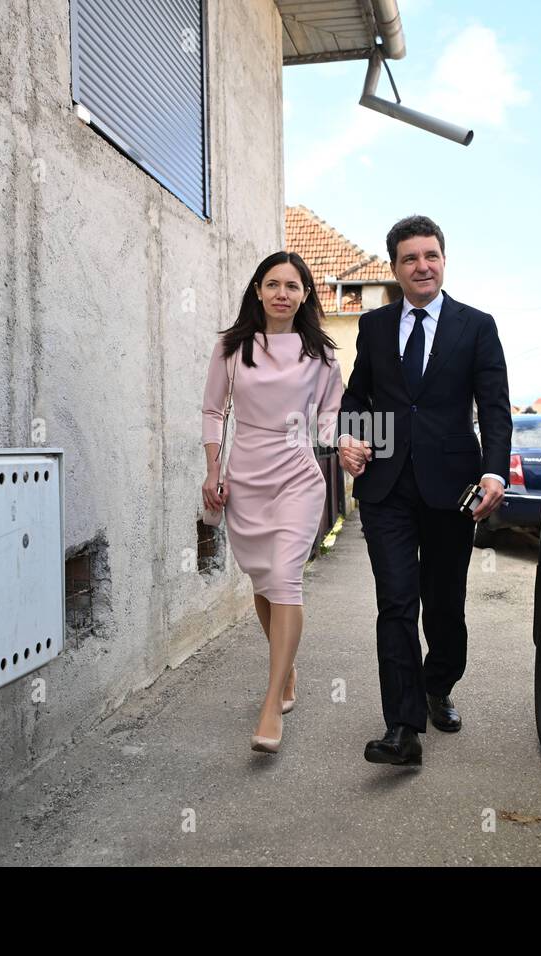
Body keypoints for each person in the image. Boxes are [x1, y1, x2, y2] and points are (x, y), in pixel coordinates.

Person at [337, 215, 512, 766]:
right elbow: (357, 398)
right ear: (394, 267)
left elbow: (496, 409)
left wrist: (495, 471)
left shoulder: (476, 326)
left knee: (443, 605)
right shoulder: (374, 326)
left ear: (444, 259)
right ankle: (402, 727)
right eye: (409, 258)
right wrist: (349, 439)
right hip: (385, 487)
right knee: (395, 601)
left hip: (452, 487)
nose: (422, 266)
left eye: (430, 255)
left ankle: (439, 685)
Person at [201, 251, 343, 755]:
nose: (283, 293)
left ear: (305, 295)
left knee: (285, 578)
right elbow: (214, 410)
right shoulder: (231, 347)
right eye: (273, 284)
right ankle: (288, 669)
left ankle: (270, 702)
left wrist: (345, 443)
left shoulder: (322, 354)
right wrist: (213, 469)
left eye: (294, 286)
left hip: (298, 475)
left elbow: (328, 420)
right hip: (246, 476)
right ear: (258, 290)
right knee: (263, 580)